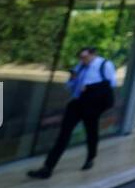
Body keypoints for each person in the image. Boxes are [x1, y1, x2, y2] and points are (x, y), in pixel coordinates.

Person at [27, 47, 117, 179]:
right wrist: (73, 80)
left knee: (91, 132)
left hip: (92, 104)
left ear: (93, 55)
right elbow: (69, 85)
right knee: (64, 134)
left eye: (85, 57)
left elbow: (111, 84)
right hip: (77, 102)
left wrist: (89, 87)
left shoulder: (105, 65)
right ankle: (48, 168)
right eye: (81, 58)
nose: (83, 60)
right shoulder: (80, 66)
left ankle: (90, 157)